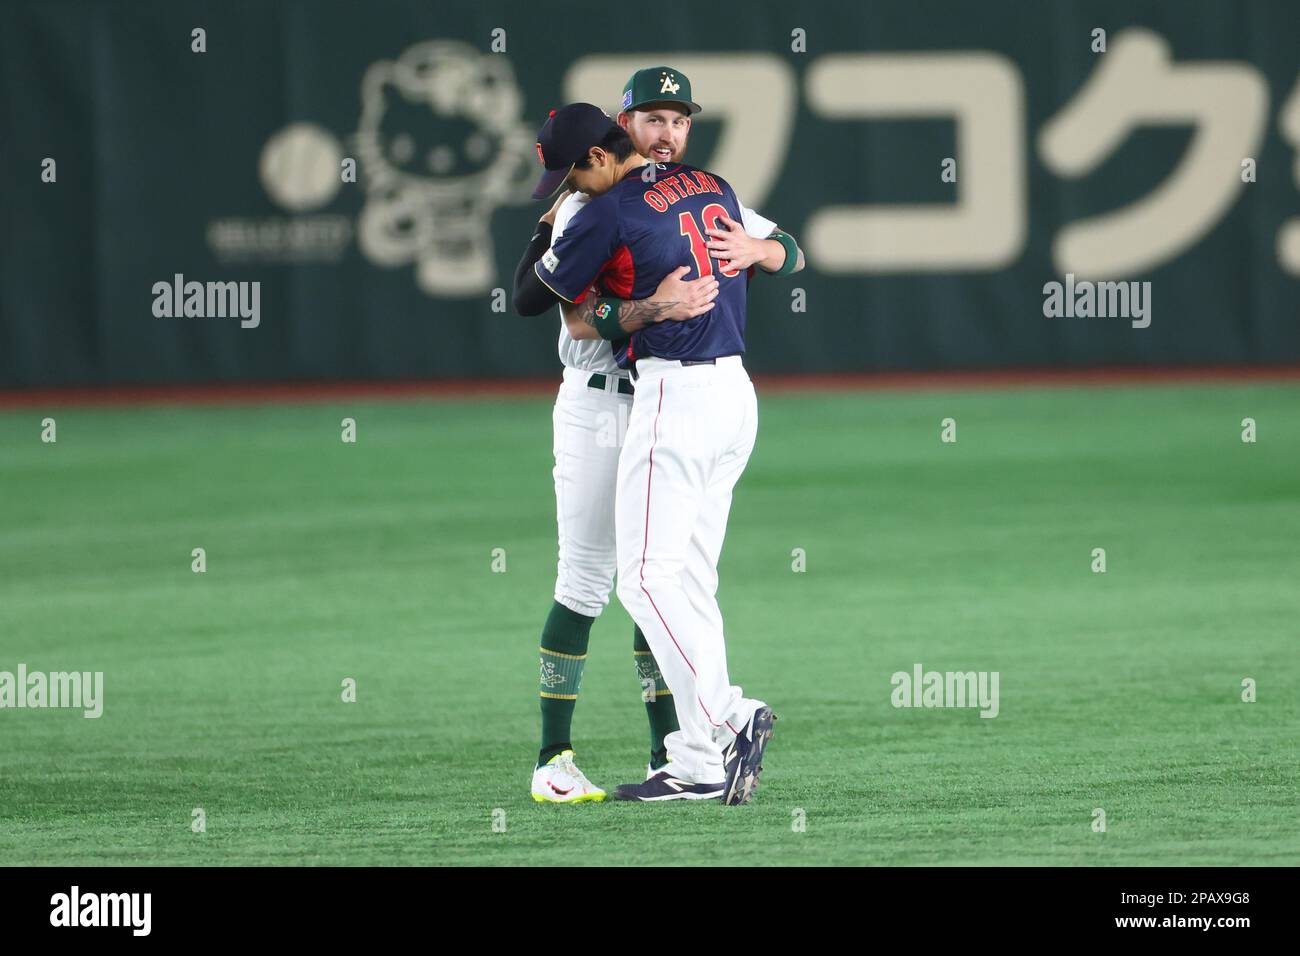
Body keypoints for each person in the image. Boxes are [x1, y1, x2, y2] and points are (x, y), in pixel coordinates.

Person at [515, 95, 802, 803]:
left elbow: (785, 249)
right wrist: (549, 227)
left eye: (677, 120)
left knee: (650, 580)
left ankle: (707, 736)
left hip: (668, 398)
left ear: (599, 155)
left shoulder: (645, 196)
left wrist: (761, 250)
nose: (667, 132)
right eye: (653, 119)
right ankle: (565, 756)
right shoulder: (676, 191)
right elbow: (562, 315)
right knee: (609, 579)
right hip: (613, 403)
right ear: (627, 129)